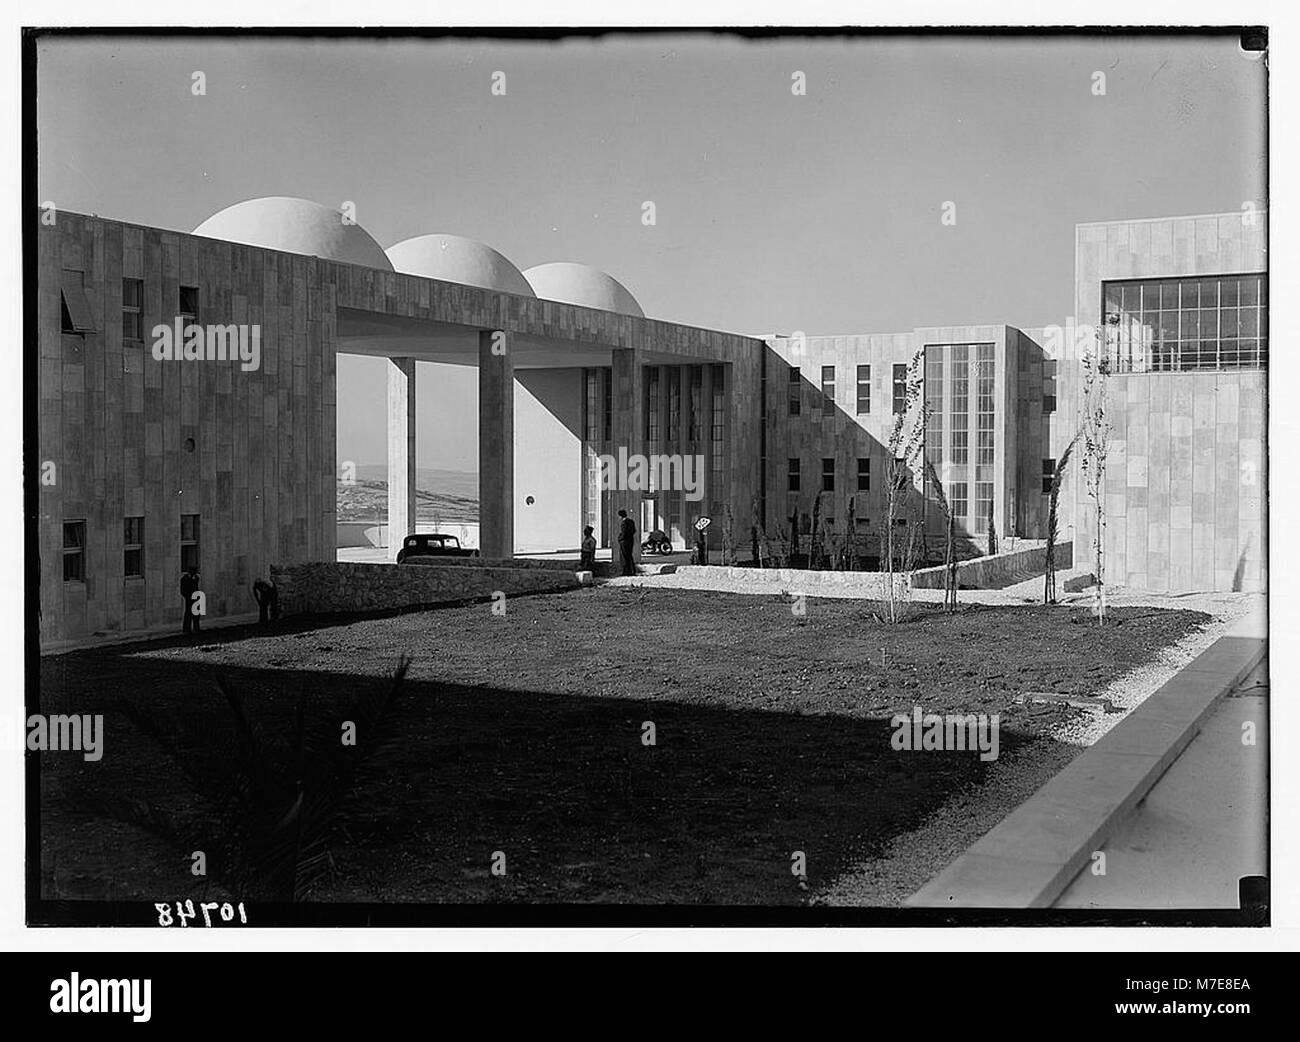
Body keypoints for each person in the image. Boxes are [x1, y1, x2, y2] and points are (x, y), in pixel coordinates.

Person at [180, 566, 201, 635]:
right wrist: (187, 597)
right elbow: (183, 590)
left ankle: (196, 628)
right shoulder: (184, 579)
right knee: (188, 613)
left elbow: (196, 587)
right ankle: (186, 629)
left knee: (196, 614)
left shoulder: (196, 578)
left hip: (195, 598)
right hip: (189, 598)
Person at [617, 509, 637, 576]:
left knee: (624, 557)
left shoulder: (624, 523)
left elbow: (624, 533)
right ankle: (632, 570)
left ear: (620, 516)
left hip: (625, 541)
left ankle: (626, 571)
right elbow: (634, 530)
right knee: (629, 556)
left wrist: (620, 538)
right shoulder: (631, 521)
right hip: (631, 540)